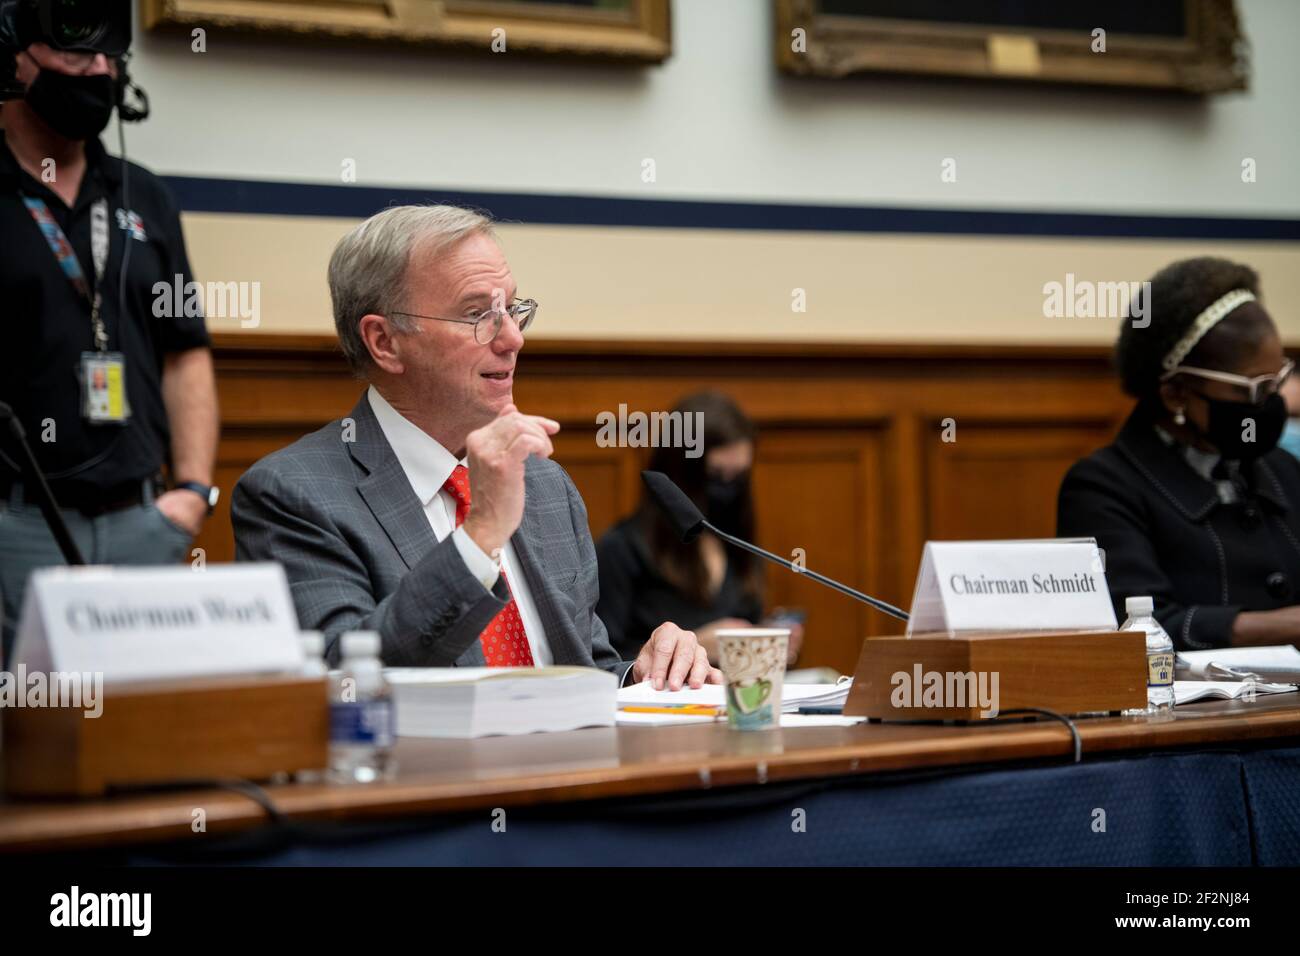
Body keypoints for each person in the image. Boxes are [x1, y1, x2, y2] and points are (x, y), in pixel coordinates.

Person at [232, 205, 721, 690]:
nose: (512, 339)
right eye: (477, 315)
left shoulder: (546, 486)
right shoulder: (293, 495)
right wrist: (480, 533)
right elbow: (345, 683)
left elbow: (583, 670)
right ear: (385, 341)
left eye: (512, 308)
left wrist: (642, 677)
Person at [0, 27, 218, 665]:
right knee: (26, 747)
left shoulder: (145, 195)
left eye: (108, 54)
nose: (97, 68)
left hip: (144, 522)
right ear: (13, 54)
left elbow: (186, 351)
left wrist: (194, 492)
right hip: (16, 526)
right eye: (73, 50)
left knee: (140, 736)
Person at [1058, 257, 1300, 651]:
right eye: (1251, 390)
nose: (1271, 404)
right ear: (1176, 393)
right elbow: (1134, 628)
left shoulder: (1283, 471)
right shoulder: (1102, 487)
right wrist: (1283, 626)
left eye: (1277, 383)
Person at [596, 391, 803, 665]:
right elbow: (602, 663)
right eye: (716, 476)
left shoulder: (736, 545)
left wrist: (767, 644)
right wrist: (695, 645)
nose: (727, 491)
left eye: (738, 478)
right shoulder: (621, 549)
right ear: (679, 472)